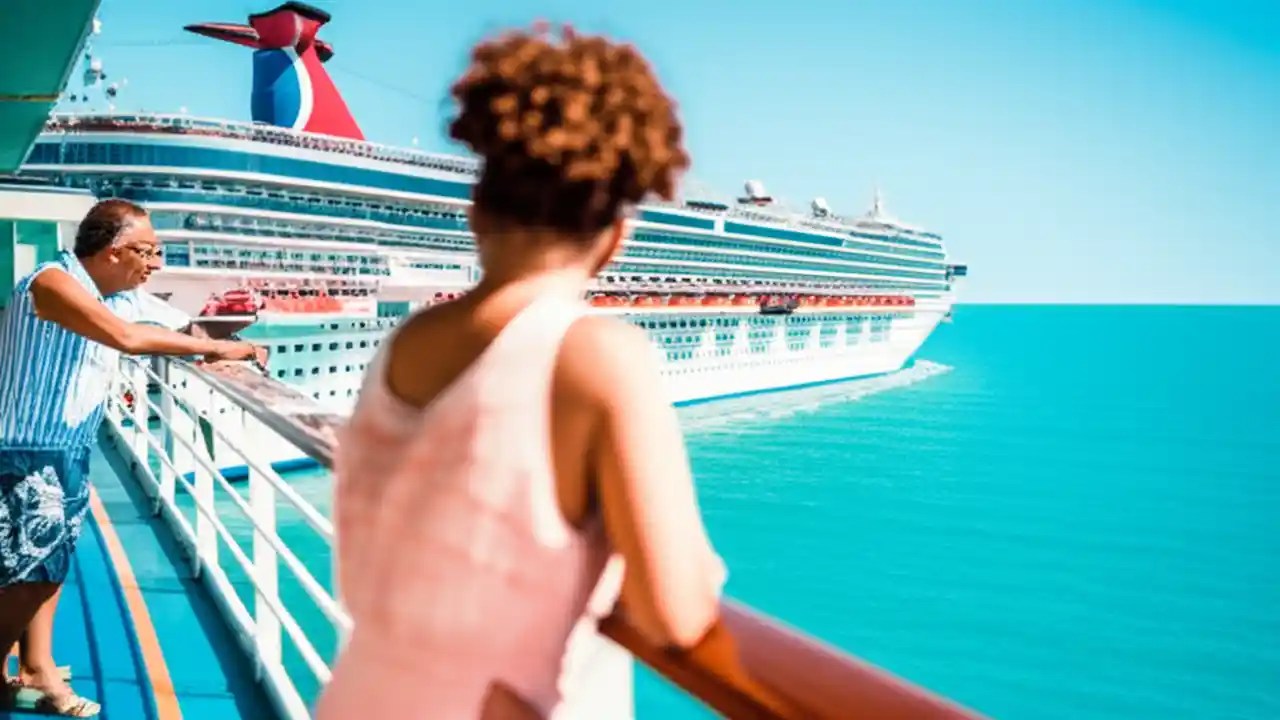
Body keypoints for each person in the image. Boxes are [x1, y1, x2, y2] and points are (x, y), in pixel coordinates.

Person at [317, 24, 728, 719]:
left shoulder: (405, 343)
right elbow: (676, 615)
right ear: (617, 238)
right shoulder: (599, 356)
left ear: (476, 212)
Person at [0, 198, 265, 717]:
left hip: (67, 446)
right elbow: (126, 340)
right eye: (149, 250)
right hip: (24, 449)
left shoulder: (119, 296)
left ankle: (36, 667)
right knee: (26, 575)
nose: (157, 262)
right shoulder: (50, 283)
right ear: (114, 250)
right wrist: (221, 352)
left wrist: (240, 350)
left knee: (47, 567)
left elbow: (185, 330)